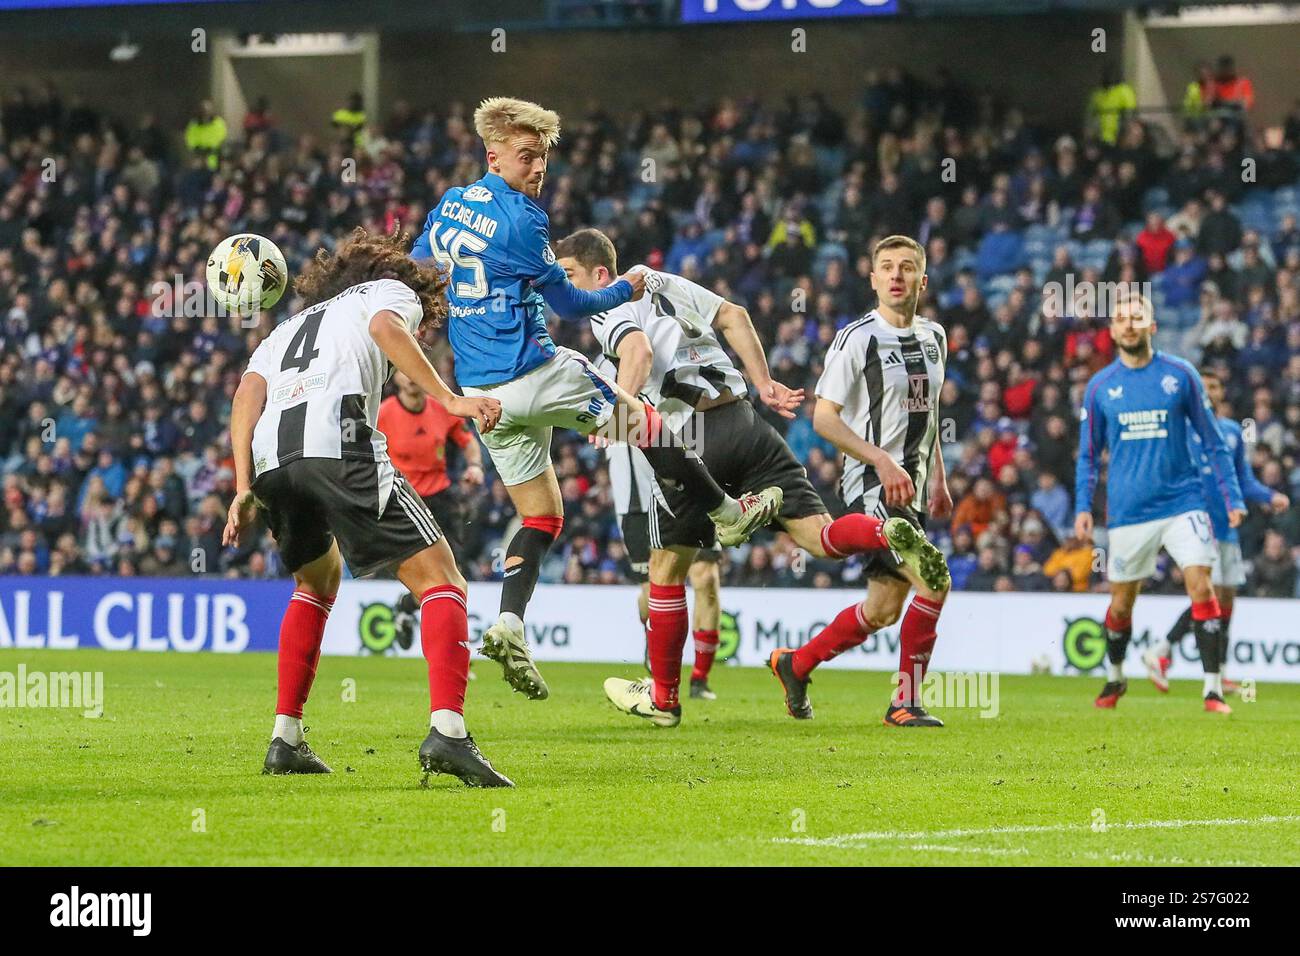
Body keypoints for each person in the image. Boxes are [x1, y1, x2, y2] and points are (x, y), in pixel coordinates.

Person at [412, 97, 780, 703]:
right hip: (533, 371)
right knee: (640, 417)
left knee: (542, 517)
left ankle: (508, 622)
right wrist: (622, 288)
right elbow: (574, 307)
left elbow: (424, 267)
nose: (538, 169)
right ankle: (727, 515)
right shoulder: (525, 221)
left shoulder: (451, 205)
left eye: (544, 157)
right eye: (527, 156)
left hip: (481, 394)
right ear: (494, 153)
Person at [558, 230, 950, 727]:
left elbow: (636, 355)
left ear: (598, 274)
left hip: (689, 439)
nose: (563, 287)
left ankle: (665, 698)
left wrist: (618, 413)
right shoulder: (661, 281)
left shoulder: (606, 306)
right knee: (821, 537)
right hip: (745, 421)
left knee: (666, 571)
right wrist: (764, 383)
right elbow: (734, 316)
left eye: (568, 275)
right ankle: (880, 531)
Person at [222, 227, 513, 787]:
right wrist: (451, 399)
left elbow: (245, 395)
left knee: (315, 583)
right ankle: (448, 734)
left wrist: (242, 485)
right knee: (443, 581)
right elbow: (385, 328)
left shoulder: (285, 329)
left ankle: (285, 739)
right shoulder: (389, 292)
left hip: (273, 464)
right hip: (339, 444)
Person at [1074, 293, 1245, 715]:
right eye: (1121, 319)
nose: (1129, 324)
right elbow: (1088, 455)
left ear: (1152, 326)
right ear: (1112, 331)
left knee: (1202, 584)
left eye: (1137, 317)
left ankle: (1211, 690)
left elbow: (1213, 439)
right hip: (1129, 511)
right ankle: (1115, 679)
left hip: (1184, 502)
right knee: (1121, 603)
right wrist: (1083, 506)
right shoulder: (1100, 387)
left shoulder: (1181, 375)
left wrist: (1232, 495)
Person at [1143, 368, 1289, 692]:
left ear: (1222, 393)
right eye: (1203, 387)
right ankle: (1165, 651)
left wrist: (1270, 495)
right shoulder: (1180, 431)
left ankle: (1202, 664)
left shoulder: (1231, 432)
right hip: (1196, 525)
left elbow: (1243, 480)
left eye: (1214, 387)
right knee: (1206, 595)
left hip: (1228, 527)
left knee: (1225, 602)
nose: (1209, 392)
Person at [602, 430, 726, 700]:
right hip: (637, 502)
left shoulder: (689, 391)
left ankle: (700, 679)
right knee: (651, 590)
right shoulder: (619, 393)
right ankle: (657, 662)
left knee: (706, 577)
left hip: (689, 491)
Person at [379, 369, 485, 649]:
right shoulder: (383, 414)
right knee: (423, 575)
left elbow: (468, 441)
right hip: (402, 500)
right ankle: (413, 611)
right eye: (404, 371)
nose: (411, 376)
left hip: (439, 499)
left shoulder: (441, 409)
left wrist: (474, 465)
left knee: (453, 573)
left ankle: (423, 622)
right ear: (397, 378)